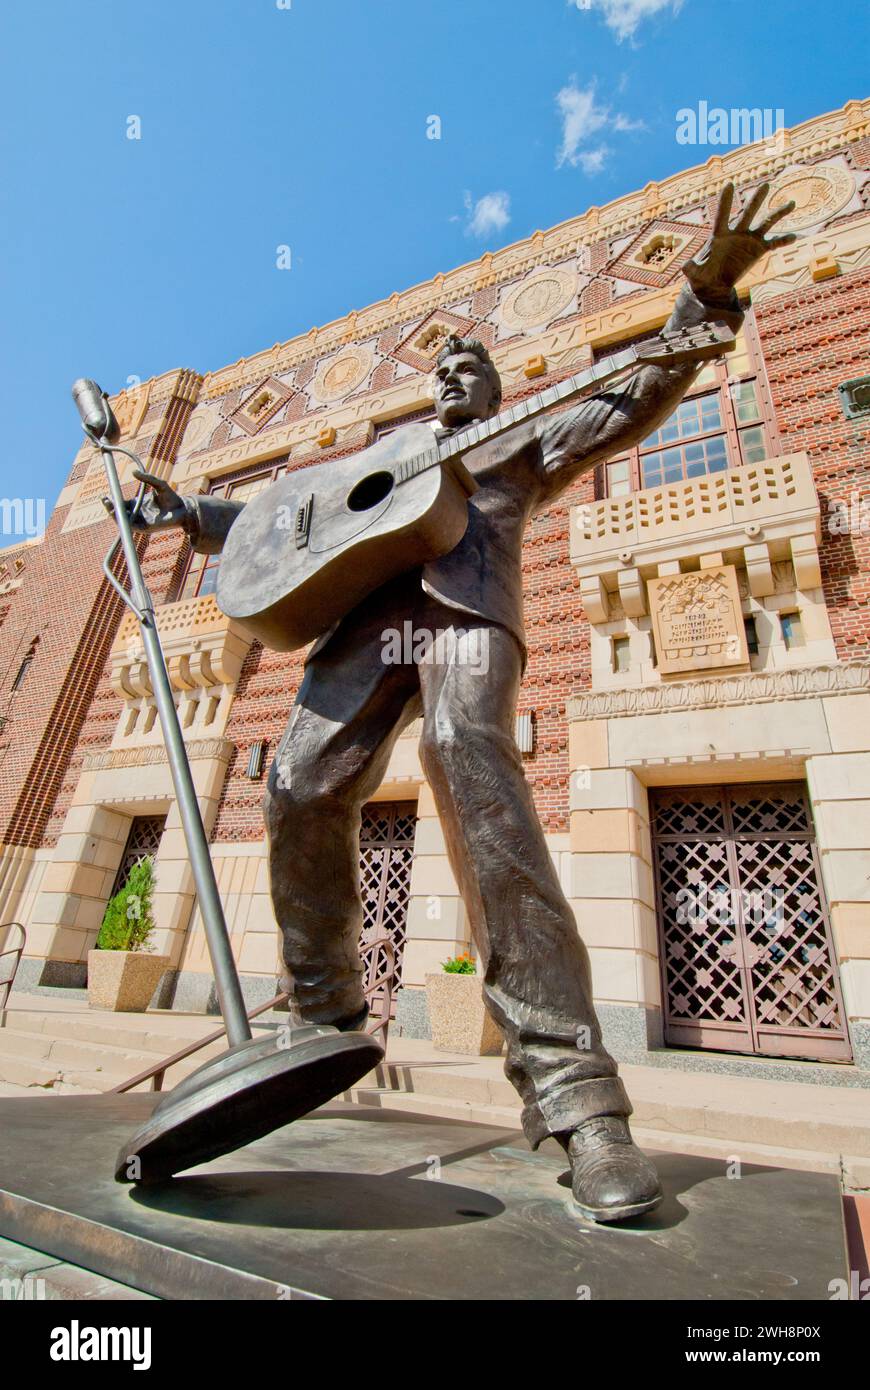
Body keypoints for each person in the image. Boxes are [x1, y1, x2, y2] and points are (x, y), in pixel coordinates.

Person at [118, 182, 794, 1221]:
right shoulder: (384, 458)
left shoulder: (521, 442)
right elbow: (283, 512)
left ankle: (579, 1103)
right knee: (298, 779)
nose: (449, 376)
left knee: (467, 756)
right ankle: (327, 1008)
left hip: (469, 615)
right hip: (362, 620)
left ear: (494, 388)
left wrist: (702, 298)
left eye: (466, 367)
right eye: (439, 368)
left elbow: (632, 397)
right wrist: (194, 513)